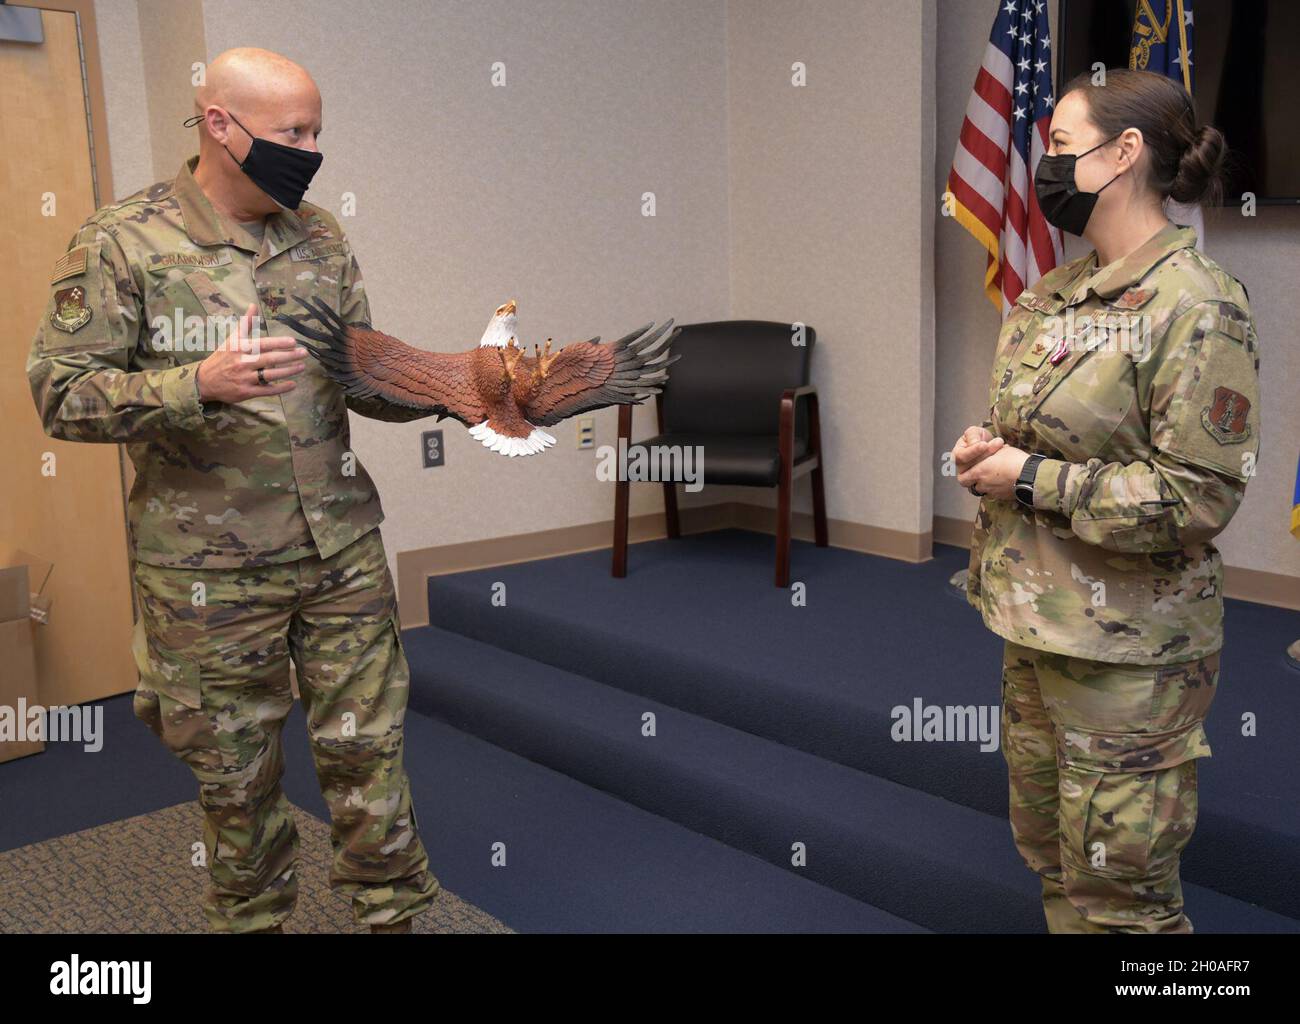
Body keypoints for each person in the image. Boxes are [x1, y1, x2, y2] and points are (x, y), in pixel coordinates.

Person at [26, 47, 439, 934]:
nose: (312, 148)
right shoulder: (120, 241)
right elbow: (60, 396)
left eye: (318, 130)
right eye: (293, 132)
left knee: (371, 755)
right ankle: (254, 921)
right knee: (237, 779)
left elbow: (360, 375)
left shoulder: (320, 234)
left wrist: (461, 390)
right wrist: (195, 383)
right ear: (220, 124)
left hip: (340, 550)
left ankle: (392, 917)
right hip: (210, 574)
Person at [951, 68, 1260, 933]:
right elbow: (1044, 428)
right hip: (1035, 626)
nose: (1041, 166)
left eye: (1056, 146)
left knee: (1122, 898)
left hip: (1131, 660)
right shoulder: (1054, 293)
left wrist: (1028, 477)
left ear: (1124, 153)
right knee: (1052, 858)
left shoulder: (1198, 307)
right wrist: (989, 447)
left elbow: (1195, 498)